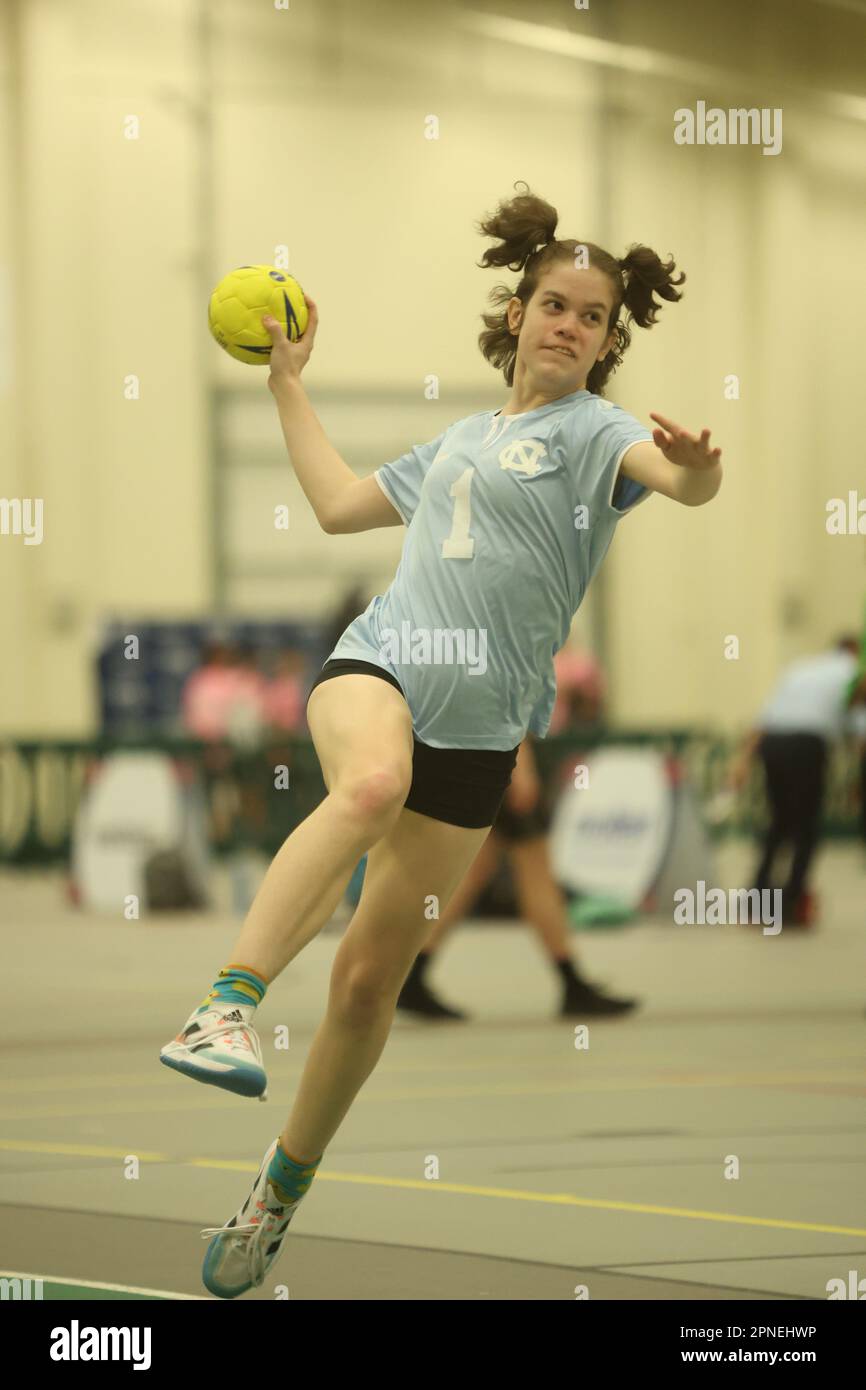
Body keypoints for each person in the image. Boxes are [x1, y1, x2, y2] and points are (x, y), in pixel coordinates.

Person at [160, 182, 722, 1298]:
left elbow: (683, 483)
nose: (567, 323)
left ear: (608, 341)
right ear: (514, 315)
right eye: (551, 303)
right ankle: (223, 1003)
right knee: (367, 784)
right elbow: (334, 505)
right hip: (378, 670)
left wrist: (699, 464)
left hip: (476, 740)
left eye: (591, 315)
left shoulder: (600, 436)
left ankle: (277, 1193)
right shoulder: (459, 440)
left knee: (369, 985)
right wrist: (287, 384)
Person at [396, 735, 638, 1019]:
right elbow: (506, 692)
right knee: (536, 873)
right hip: (502, 754)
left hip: (477, 753)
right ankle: (572, 984)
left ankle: (412, 976)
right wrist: (521, 763)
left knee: (473, 872)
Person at [729, 636, 861, 925]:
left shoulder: (799, 668)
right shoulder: (855, 673)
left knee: (778, 821)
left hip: (773, 743)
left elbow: (764, 719)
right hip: (806, 745)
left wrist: (741, 762)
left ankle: (757, 898)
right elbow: (861, 728)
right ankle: (792, 900)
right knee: (807, 826)